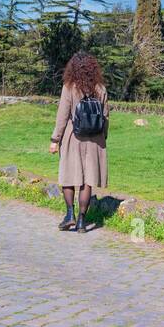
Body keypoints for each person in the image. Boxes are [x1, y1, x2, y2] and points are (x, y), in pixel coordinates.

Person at [50, 51, 109, 233]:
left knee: (69, 177)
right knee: (87, 181)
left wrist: (55, 139)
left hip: (72, 137)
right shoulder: (101, 88)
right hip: (94, 140)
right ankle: (82, 221)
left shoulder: (69, 87)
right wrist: (103, 137)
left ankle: (70, 215)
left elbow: (62, 116)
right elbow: (105, 116)